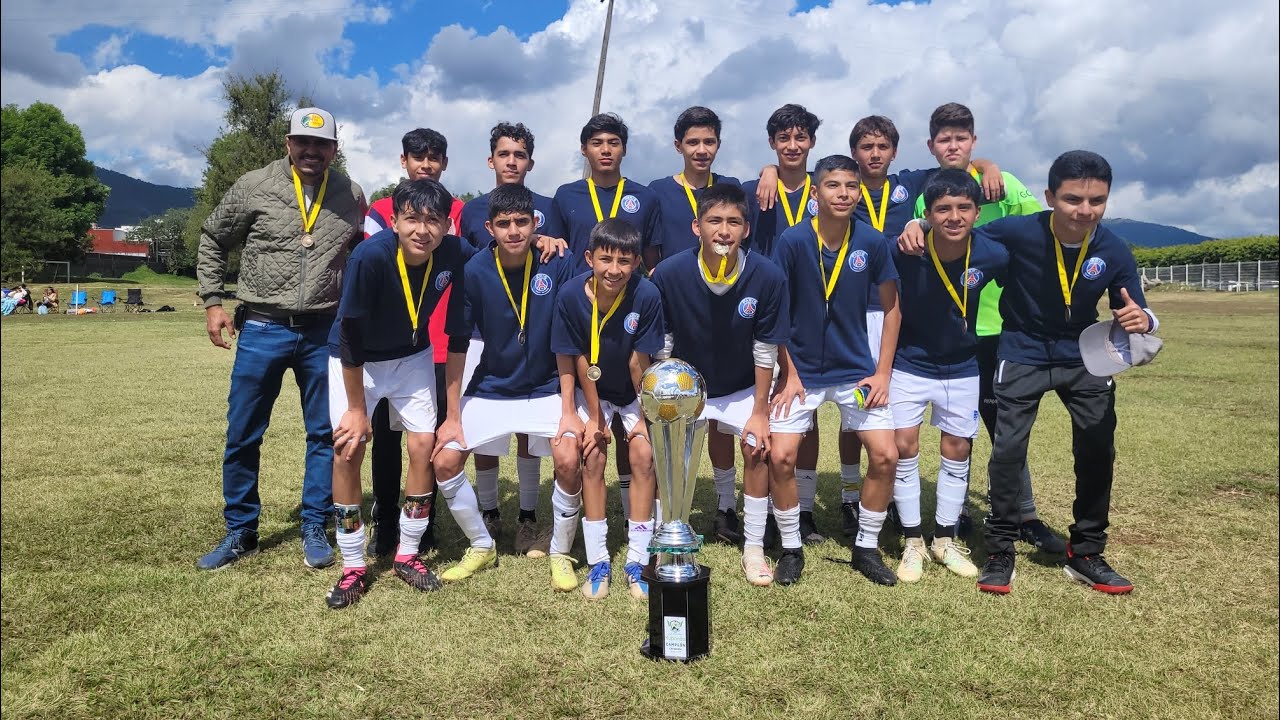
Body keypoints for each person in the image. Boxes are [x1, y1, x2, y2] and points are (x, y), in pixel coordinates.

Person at [900, 150, 1158, 595]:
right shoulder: (1020, 229)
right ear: (1050, 197)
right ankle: (1000, 548)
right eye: (1073, 199)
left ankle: (1088, 552)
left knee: (1098, 447)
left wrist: (1144, 320)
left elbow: (1134, 307)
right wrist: (917, 224)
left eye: (1096, 201)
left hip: (1082, 354)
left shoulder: (1112, 248)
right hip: (1020, 349)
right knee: (1008, 450)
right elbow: (959, 225)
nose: (1084, 211)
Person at [196, 107, 366, 571]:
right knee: (244, 432)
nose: (312, 152)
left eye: (322, 144)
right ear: (289, 144)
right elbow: (213, 237)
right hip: (263, 327)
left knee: (324, 434)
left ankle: (314, 523)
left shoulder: (351, 194)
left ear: (334, 149)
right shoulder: (255, 184)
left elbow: (358, 255)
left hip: (322, 331)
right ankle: (241, 530)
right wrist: (213, 302)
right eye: (303, 143)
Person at [912, 102, 1064, 551]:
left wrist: (989, 169)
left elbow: (1043, 230)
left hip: (1003, 326)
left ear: (973, 142)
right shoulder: (928, 196)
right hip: (953, 331)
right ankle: (955, 514)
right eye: (944, 139)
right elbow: (922, 232)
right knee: (957, 427)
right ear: (932, 146)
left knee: (1005, 425)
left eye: (961, 138)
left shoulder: (1005, 183)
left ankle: (1025, 514)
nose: (953, 145)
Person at [324, 179, 479, 609]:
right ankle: (353, 565)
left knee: (424, 445)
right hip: (357, 361)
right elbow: (351, 336)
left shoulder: (455, 253)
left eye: (433, 220)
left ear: (448, 225)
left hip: (413, 356)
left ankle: (408, 554)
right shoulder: (369, 258)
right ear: (394, 221)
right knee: (348, 450)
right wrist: (357, 410)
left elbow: (461, 329)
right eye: (412, 219)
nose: (422, 230)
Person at [433, 184, 582, 591]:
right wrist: (451, 417)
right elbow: (458, 343)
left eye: (522, 222)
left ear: (536, 223)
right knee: (444, 460)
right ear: (489, 228)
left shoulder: (557, 261)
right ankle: (481, 544)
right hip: (492, 387)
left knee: (568, 458)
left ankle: (559, 550)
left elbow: (569, 339)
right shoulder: (475, 269)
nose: (514, 231)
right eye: (504, 224)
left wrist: (570, 409)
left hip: (547, 388)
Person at [769, 155, 901, 587]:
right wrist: (788, 374)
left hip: (856, 372)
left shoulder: (873, 241)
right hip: (801, 373)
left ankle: (866, 547)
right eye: (833, 185)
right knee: (781, 455)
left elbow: (892, 308)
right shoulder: (791, 240)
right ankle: (791, 547)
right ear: (814, 192)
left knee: (886, 455)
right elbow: (777, 311)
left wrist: (881, 373)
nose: (843, 193)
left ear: (859, 192)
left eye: (850, 186)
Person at [650, 184, 790, 587]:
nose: (724, 230)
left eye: (733, 222)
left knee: (758, 448)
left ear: (746, 229)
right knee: (669, 455)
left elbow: (765, 350)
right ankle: (667, 543)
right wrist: (667, 403)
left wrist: (761, 412)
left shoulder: (766, 274)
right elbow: (664, 345)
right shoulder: (671, 272)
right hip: (687, 385)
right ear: (697, 226)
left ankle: (754, 548)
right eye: (714, 221)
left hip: (743, 385)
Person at [887, 169, 1008, 583]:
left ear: (977, 212)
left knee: (957, 450)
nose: (953, 217)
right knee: (904, 447)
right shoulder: (906, 249)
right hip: (909, 363)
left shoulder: (992, 253)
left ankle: (944, 539)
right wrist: (912, 225)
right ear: (929, 213)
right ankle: (913, 542)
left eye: (963, 208)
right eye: (942, 209)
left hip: (962, 366)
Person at [457, 122, 566, 557]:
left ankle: (526, 516)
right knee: (487, 431)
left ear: (530, 162)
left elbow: (557, 258)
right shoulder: (470, 210)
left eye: (520, 155)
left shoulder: (548, 206)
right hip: (487, 334)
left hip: (534, 333)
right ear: (491, 160)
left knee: (529, 431)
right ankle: (488, 511)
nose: (512, 162)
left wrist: (552, 240)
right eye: (504, 154)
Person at [362, 128, 463, 557]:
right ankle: (385, 520)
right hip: (389, 350)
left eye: (435, 157)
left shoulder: (457, 210)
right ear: (403, 161)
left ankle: (423, 524)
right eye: (418, 157)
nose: (427, 164)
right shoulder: (380, 210)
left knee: (430, 440)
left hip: (438, 347)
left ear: (444, 163)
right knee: (386, 440)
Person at [551, 218, 664, 600]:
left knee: (644, 455)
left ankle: (638, 558)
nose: (614, 270)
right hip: (590, 390)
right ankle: (599, 558)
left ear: (636, 264)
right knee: (593, 456)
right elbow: (575, 358)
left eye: (624, 261)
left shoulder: (646, 295)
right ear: (589, 258)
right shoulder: (569, 295)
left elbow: (640, 361)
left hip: (634, 391)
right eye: (606, 260)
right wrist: (590, 418)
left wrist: (646, 418)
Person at [553, 113, 662, 271]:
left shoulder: (646, 197)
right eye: (597, 143)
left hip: (629, 293)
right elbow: (558, 251)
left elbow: (652, 262)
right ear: (584, 149)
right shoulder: (566, 196)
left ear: (624, 149)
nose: (605, 150)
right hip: (580, 292)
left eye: (613, 143)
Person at [647, 106, 742, 262]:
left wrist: (771, 170)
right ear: (678, 146)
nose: (702, 150)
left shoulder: (730, 187)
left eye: (709, 142)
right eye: (693, 142)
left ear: (718, 144)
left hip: (722, 282)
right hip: (675, 283)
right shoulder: (659, 191)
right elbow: (650, 248)